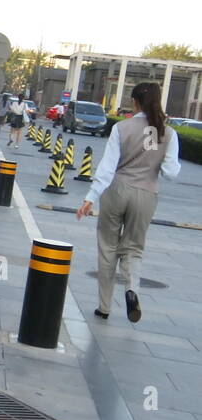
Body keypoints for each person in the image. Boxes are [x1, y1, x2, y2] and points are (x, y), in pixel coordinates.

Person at [76, 82, 181, 323]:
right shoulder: (169, 132)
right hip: (147, 193)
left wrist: (90, 198)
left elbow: (107, 166)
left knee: (107, 248)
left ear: (134, 102)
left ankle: (104, 307)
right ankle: (131, 290)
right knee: (133, 248)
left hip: (117, 189)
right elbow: (171, 172)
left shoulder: (121, 128)